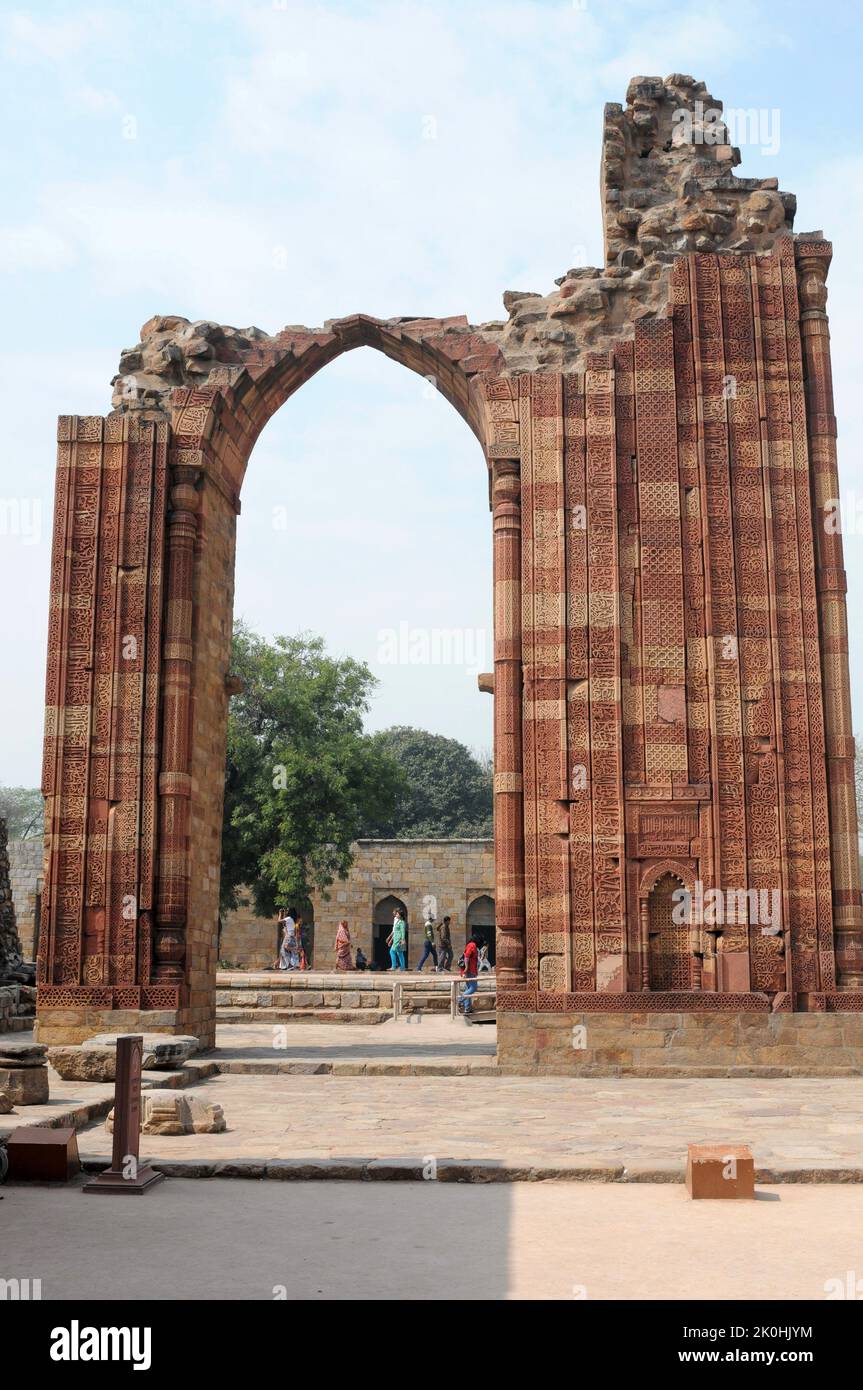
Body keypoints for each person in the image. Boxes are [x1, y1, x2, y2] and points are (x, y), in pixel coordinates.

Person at [459, 931, 482, 1017]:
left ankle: (467, 1008)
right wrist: (466, 968)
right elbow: (467, 956)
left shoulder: (470, 944)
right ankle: (459, 1000)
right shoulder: (472, 945)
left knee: (468, 988)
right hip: (470, 970)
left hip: (470, 970)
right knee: (473, 988)